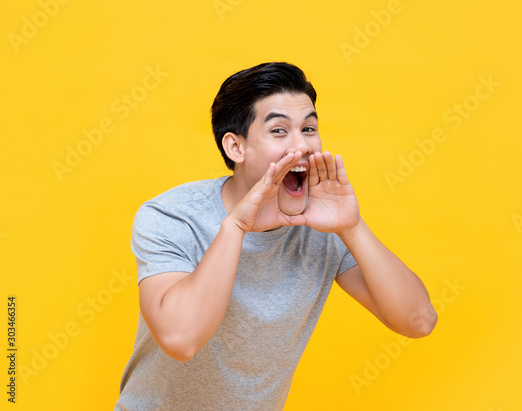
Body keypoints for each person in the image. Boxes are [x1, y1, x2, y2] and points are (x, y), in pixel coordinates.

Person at [115, 62, 437, 409]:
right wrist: (237, 227)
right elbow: (181, 339)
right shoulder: (173, 216)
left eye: (309, 128)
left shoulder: (322, 227)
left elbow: (418, 321)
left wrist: (352, 227)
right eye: (279, 131)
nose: (302, 146)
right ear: (236, 148)